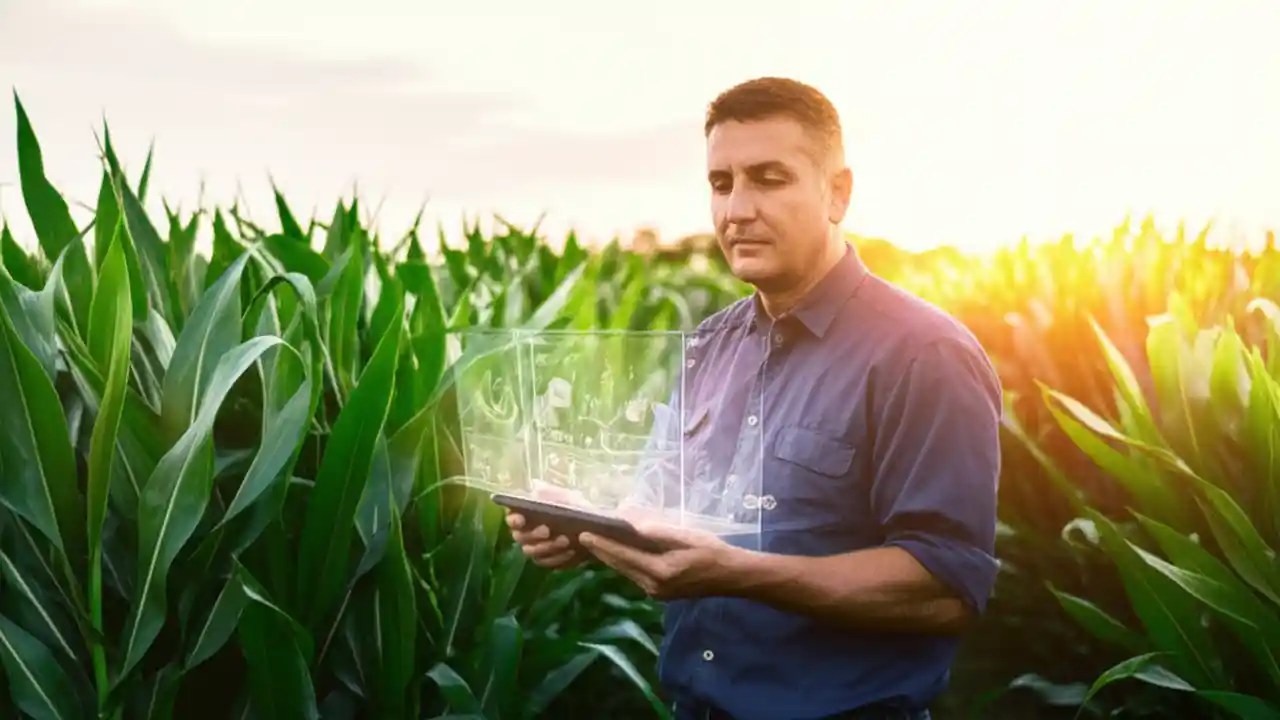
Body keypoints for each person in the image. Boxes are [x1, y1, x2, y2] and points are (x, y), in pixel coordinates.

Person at [504, 77, 1002, 720]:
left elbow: (946, 588)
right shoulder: (710, 344)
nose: (737, 209)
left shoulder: (924, 354)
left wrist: (736, 571)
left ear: (838, 193)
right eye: (721, 183)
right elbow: (664, 508)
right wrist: (584, 529)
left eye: (769, 178)